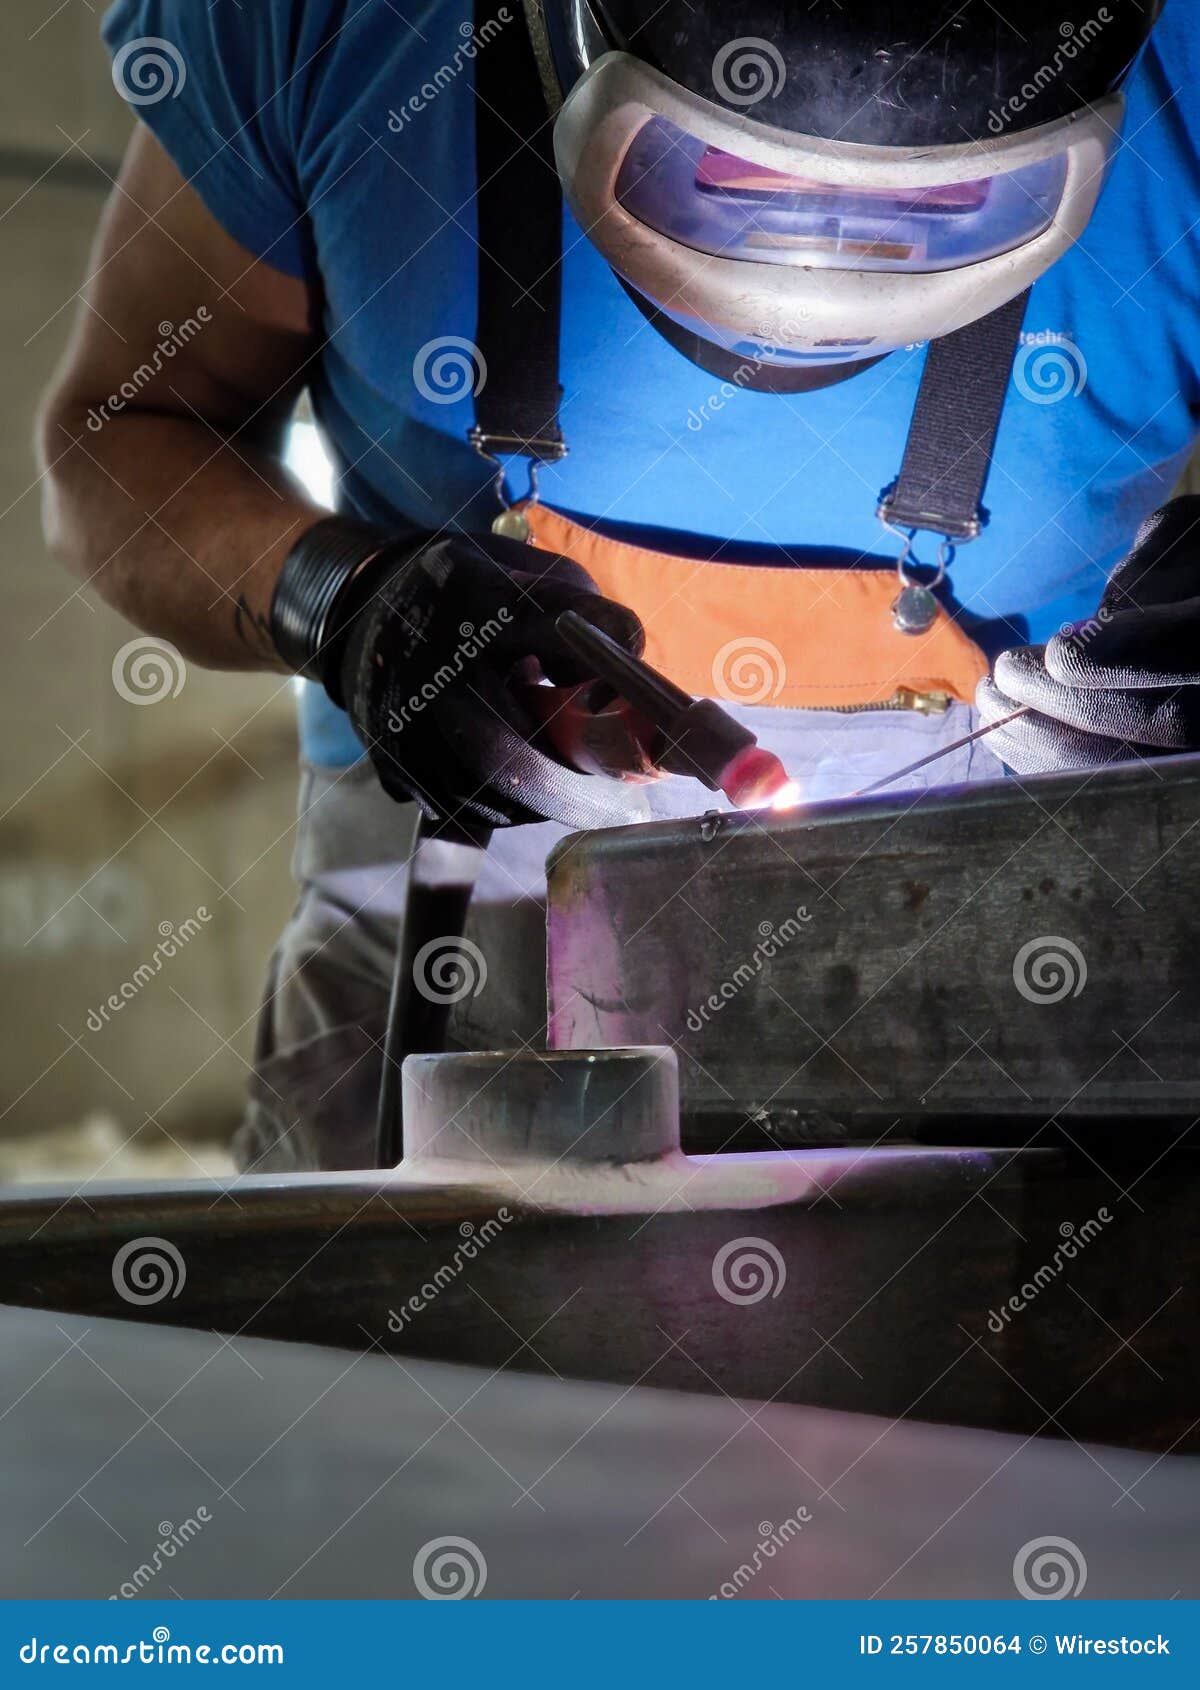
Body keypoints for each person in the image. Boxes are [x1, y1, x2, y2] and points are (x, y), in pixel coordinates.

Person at [39, 1, 1196, 1171]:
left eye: (941, 202)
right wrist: (345, 602)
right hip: (430, 983)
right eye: (735, 174)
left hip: (1006, 987)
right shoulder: (339, 25)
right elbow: (121, 438)